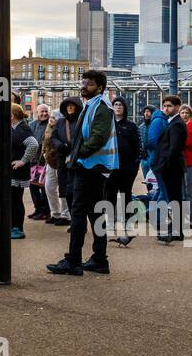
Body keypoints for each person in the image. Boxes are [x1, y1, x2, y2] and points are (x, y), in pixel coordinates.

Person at [46, 71, 117, 274]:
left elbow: (98, 137)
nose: (84, 86)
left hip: (90, 167)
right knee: (95, 214)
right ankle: (99, 259)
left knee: (78, 213)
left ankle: (74, 261)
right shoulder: (92, 105)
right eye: (83, 82)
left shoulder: (101, 107)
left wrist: (77, 156)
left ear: (100, 87)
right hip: (93, 167)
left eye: (90, 83)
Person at [153, 95, 189, 241]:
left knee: (175, 200)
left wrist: (163, 165)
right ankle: (176, 230)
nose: (166, 108)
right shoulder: (173, 122)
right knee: (174, 199)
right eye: (165, 106)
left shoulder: (177, 124)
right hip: (171, 166)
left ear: (177, 107)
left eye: (169, 106)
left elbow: (174, 148)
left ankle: (177, 231)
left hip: (172, 167)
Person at [108, 97, 142, 243]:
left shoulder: (131, 125)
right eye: (115, 104)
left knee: (126, 193)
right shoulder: (107, 125)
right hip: (111, 166)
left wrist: (135, 164)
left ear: (125, 108)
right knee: (110, 193)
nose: (118, 107)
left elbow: (138, 146)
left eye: (121, 105)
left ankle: (127, 220)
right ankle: (110, 220)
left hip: (128, 167)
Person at [42, 97, 79, 227]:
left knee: (69, 188)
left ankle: (67, 215)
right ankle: (57, 213)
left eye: (72, 106)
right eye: (67, 106)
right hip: (57, 159)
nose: (50, 119)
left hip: (73, 159)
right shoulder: (59, 124)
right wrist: (60, 145)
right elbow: (53, 138)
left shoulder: (78, 122)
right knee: (55, 187)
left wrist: (69, 147)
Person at [5, 104, 38, 240]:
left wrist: (23, 161)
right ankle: (13, 226)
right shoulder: (16, 128)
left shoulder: (22, 129)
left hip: (18, 171)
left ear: (12, 116)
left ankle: (18, 228)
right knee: (13, 200)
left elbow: (34, 144)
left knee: (16, 200)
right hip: (14, 170)